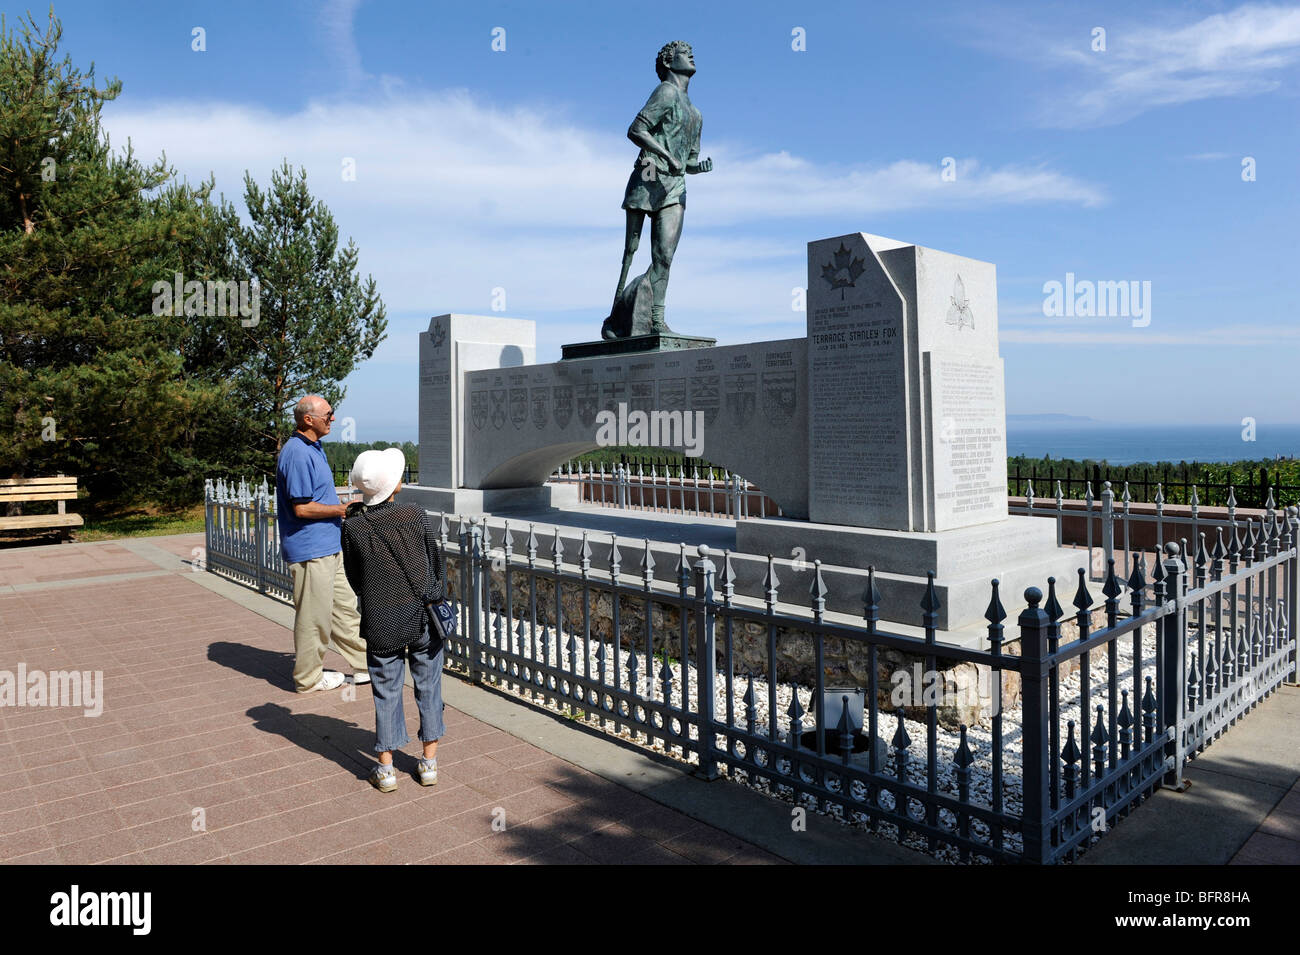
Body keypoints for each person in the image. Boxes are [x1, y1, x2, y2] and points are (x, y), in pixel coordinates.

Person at [340, 447, 447, 792]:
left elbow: (355, 578)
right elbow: (436, 562)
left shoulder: (353, 527)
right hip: (422, 616)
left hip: (381, 618)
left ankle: (386, 769)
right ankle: (428, 763)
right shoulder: (415, 514)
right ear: (393, 484)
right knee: (428, 684)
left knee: (385, 690)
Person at [609, 40, 713, 335]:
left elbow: (688, 161)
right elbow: (636, 129)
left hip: (674, 186)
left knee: (664, 255)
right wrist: (665, 155)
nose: (691, 56)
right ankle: (614, 319)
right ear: (669, 62)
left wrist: (698, 166)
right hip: (649, 175)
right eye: (684, 53)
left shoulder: (697, 114)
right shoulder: (666, 92)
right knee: (630, 250)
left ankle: (656, 320)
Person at [274, 395, 370, 692]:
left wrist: (337, 505)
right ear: (308, 420)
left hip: (328, 547)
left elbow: (316, 497)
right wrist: (342, 510)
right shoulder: (298, 454)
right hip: (310, 550)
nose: (333, 419)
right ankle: (308, 679)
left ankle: (367, 665)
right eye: (328, 415)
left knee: (344, 610)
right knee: (314, 619)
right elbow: (301, 508)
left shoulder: (313, 448)